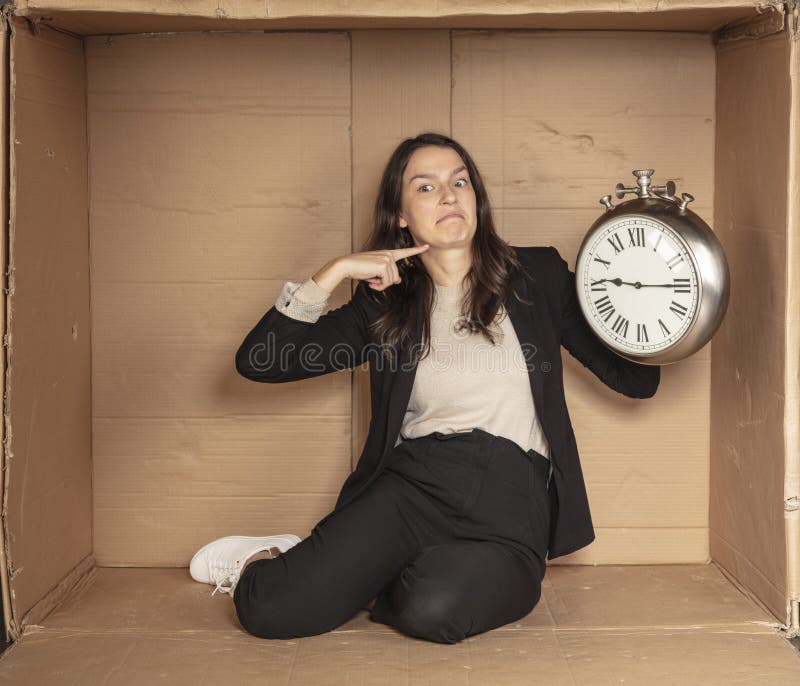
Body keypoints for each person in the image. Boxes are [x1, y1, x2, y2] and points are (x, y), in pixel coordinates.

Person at [189, 132, 661, 644]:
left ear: (476, 198)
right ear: (399, 215)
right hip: (413, 486)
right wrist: (335, 271)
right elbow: (260, 361)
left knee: (432, 609)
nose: (449, 195)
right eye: (426, 187)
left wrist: (652, 274)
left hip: (512, 498)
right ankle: (273, 557)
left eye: (459, 181)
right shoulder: (385, 306)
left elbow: (637, 379)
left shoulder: (537, 277)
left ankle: (362, 575)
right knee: (270, 609)